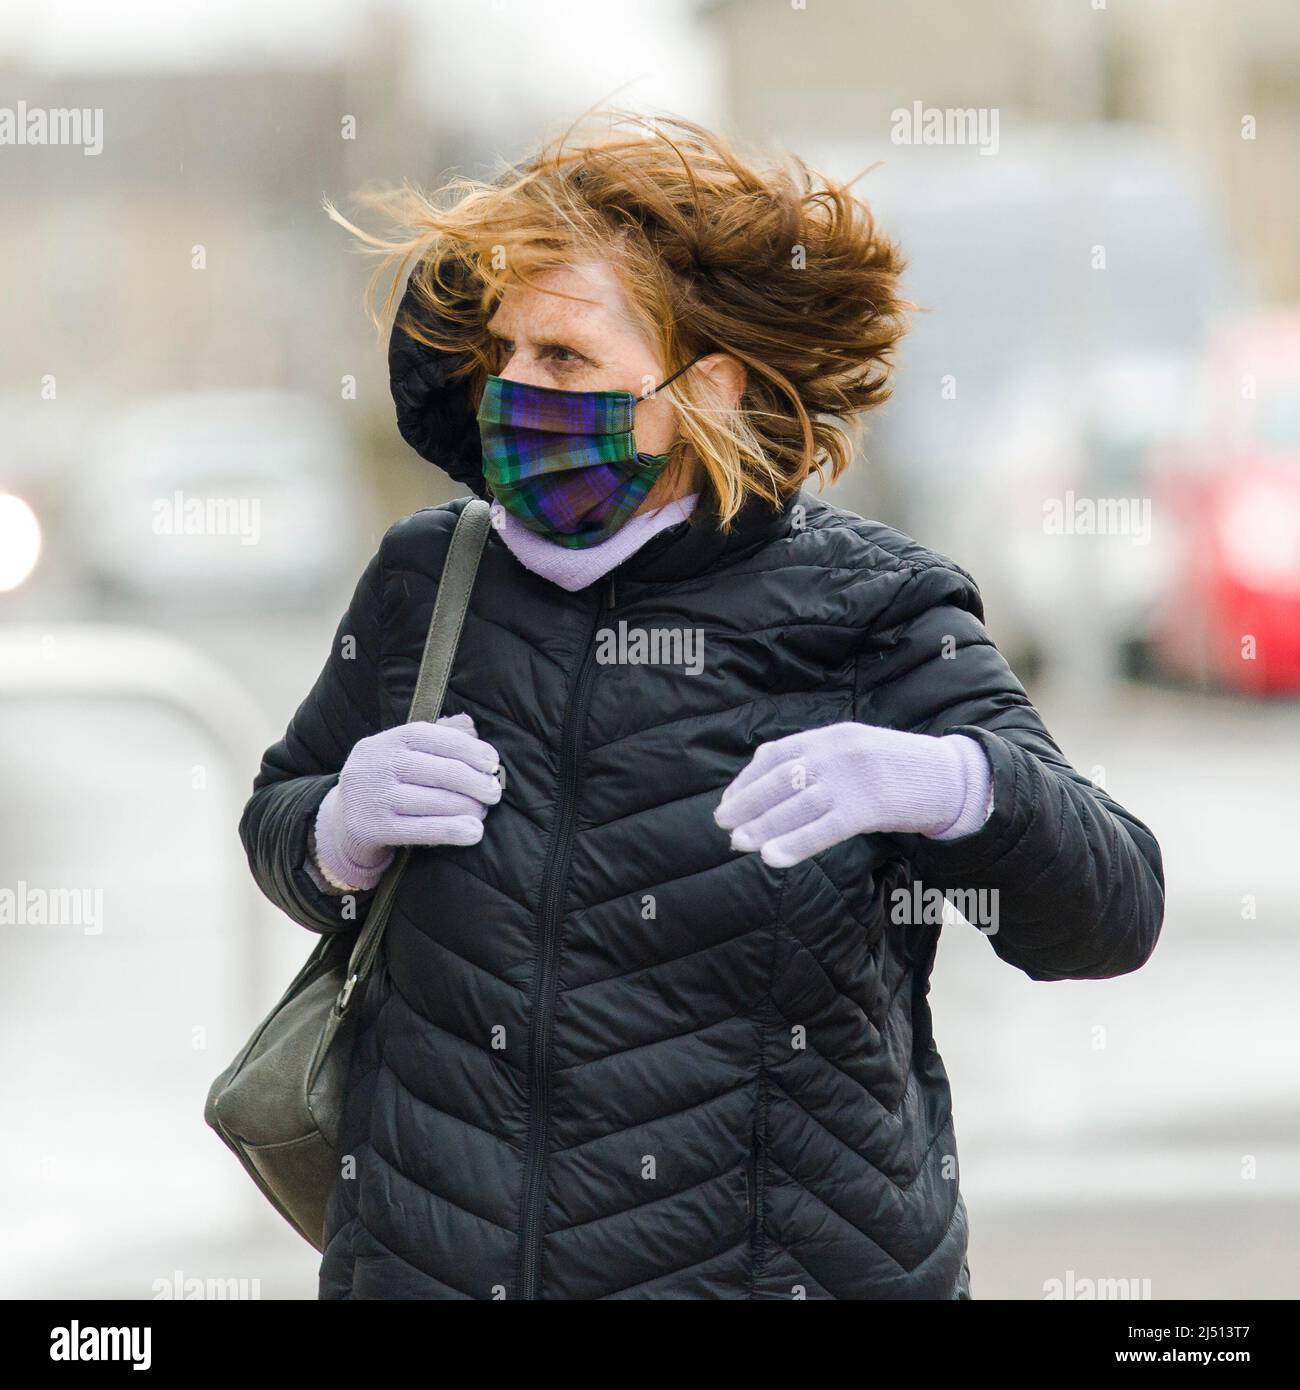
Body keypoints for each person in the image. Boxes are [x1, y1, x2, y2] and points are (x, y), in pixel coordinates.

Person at [239, 113, 1164, 1300]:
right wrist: (332, 827)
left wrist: (957, 787)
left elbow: (1110, 911)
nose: (514, 386)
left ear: (705, 386)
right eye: (503, 350)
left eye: (564, 357)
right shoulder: (430, 579)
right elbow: (283, 819)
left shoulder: (875, 605)